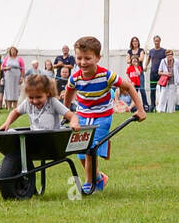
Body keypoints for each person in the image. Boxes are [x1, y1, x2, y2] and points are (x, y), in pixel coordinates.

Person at [63, 36, 147, 194]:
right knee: (80, 152)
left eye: (87, 58)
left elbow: (128, 86)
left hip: (102, 115)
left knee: (90, 148)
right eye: (79, 58)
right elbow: (69, 92)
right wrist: (66, 112)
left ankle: (89, 183)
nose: (82, 62)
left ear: (98, 58)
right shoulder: (75, 77)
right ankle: (98, 178)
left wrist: (140, 109)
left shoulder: (106, 75)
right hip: (82, 115)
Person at [0, 74, 80, 131]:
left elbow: (72, 116)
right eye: (31, 97)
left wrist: (74, 123)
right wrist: (7, 123)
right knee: (11, 132)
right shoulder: (27, 103)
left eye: (38, 97)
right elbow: (15, 112)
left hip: (52, 140)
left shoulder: (52, 102)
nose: (34, 101)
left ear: (47, 93)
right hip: (36, 139)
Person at [1, 46, 25, 111]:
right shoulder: (6, 59)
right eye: (12, 50)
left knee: (16, 91)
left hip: (17, 76)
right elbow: (1, 67)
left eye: (14, 50)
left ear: (16, 51)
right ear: (10, 52)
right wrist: (7, 68)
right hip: (8, 77)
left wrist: (22, 77)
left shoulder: (19, 59)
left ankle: (15, 107)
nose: (13, 52)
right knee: (8, 91)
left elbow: (23, 69)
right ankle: (8, 107)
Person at [146, 36, 166, 112]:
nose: (156, 42)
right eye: (155, 41)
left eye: (158, 41)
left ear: (160, 41)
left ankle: (161, 105)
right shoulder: (151, 51)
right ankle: (152, 105)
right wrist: (145, 66)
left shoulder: (163, 51)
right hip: (153, 73)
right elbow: (148, 59)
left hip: (161, 73)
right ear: (154, 41)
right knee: (152, 90)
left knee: (162, 90)